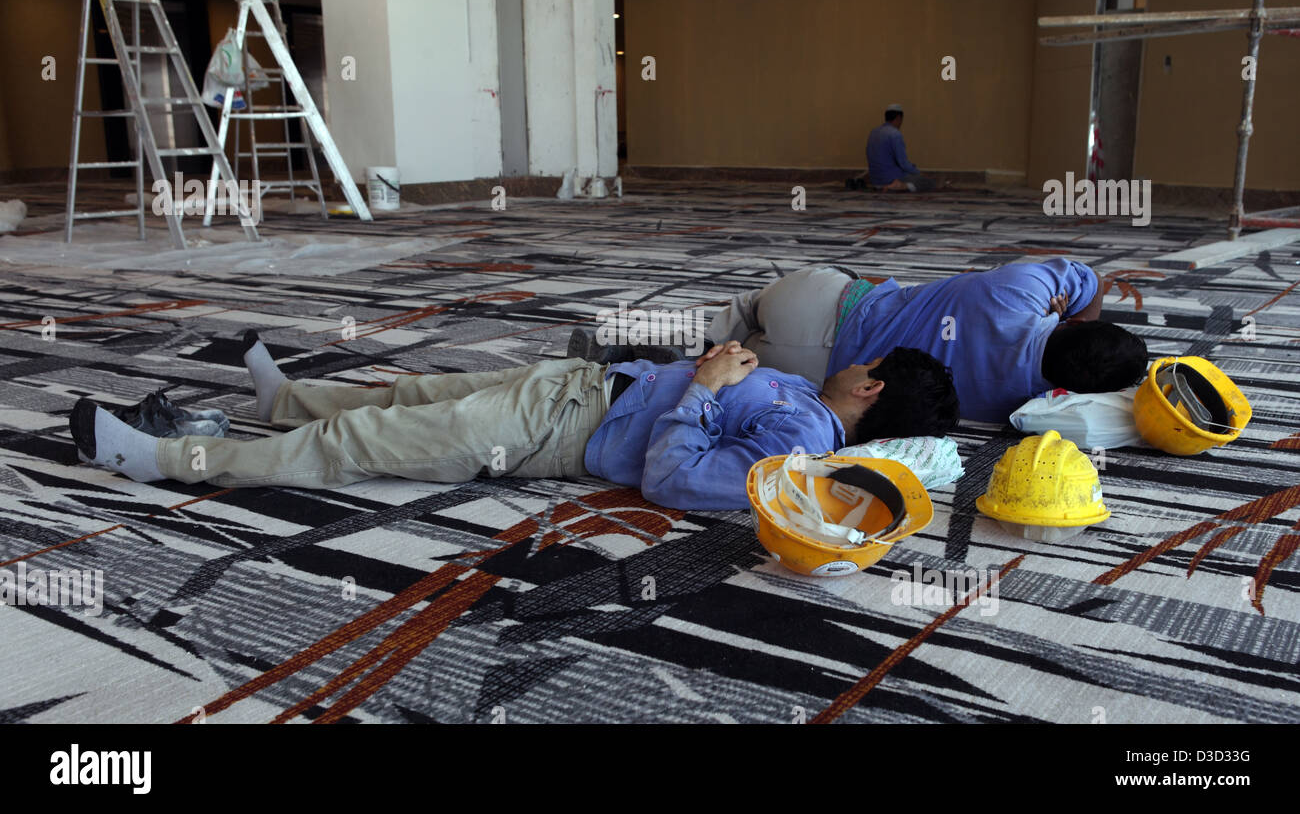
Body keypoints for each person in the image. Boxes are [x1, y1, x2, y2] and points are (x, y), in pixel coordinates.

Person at [69, 331, 959, 512]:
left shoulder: (800, 446)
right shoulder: (801, 398)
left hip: (557, 432)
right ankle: (281, 402)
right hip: (577, 383)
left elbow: (675, 478)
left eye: (866, 357)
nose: (854, 355)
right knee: (403, 398)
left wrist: (700, 385)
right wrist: (718, 368)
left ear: (870, 387)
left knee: (366, 446)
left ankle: (172, 460)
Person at [706, 258, 1147, 423]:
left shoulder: (1024, 288)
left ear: (1073, 326)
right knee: (743, 354)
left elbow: (1096, 281)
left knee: (758, 305)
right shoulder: (1025, 406)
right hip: (802, 376)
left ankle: (717, 329)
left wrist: (1069, 312)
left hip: (811, 303)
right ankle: (713, 363)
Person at [866, 104, 936, 192]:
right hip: (891, 178)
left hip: (875, 180)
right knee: (930, 183)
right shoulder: (895, 134)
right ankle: (899, 186)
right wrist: (919, 173)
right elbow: (903, 163)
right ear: (899, 118)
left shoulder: (874, 132)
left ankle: (891, 186)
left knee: (912, 176)